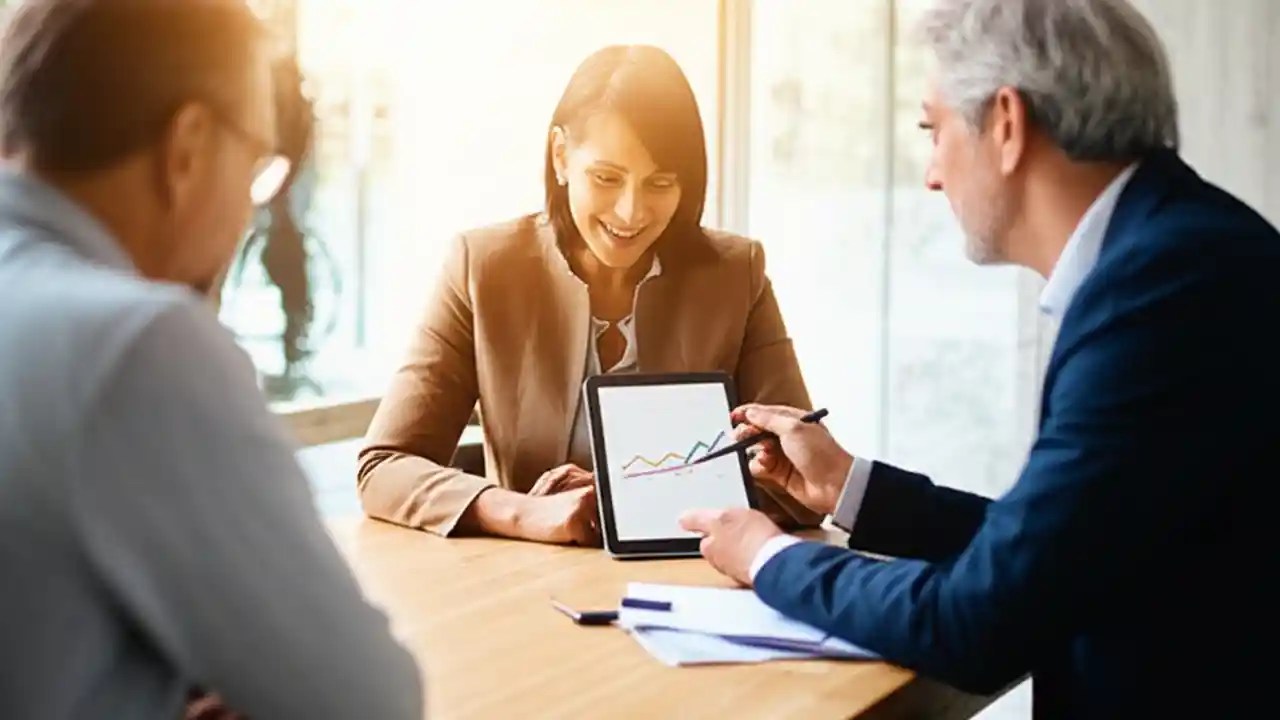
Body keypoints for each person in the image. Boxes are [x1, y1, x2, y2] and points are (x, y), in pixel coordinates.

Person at [679, 0, 1277, 717]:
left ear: (1006, 124)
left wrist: (769, 558)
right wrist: (848, 485)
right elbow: (1053, 550)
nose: (931, 176)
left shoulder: (1161, 293)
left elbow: (979, 621)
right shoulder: (1178, 251)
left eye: (933, 131)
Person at [0, 2, 421, 718]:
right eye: (256, 165)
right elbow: (368, 702)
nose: (248, 215)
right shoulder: (136, 344)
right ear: (188, 147)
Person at [358, 45, 820, 544]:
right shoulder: (483, 267)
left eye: (660, 183)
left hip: (691, 574)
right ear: (561, 156)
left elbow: (804, 487)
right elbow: (384, 467)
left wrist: (622, 497)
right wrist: (523, 512)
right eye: (606, 178)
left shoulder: (736, 274)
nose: (630, 212)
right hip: (526, 574)